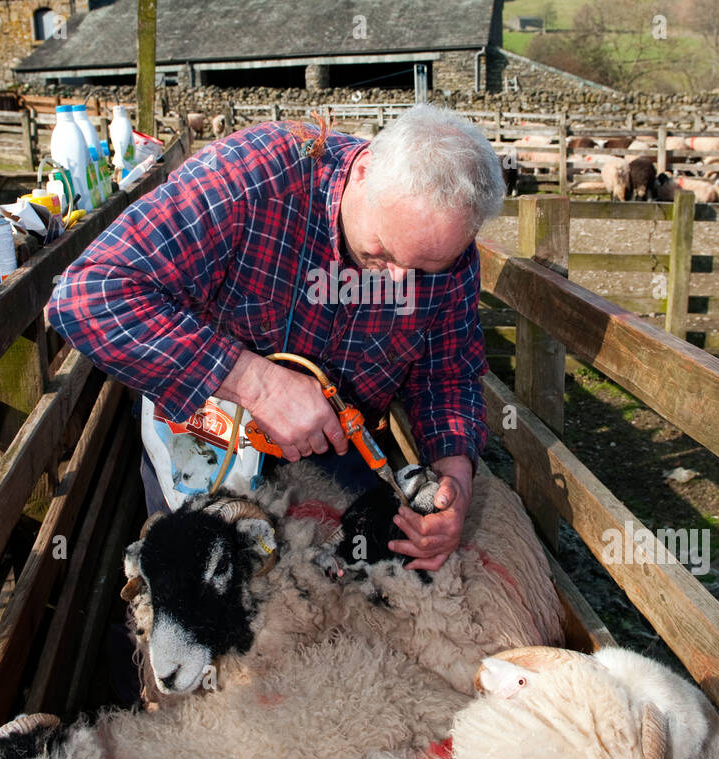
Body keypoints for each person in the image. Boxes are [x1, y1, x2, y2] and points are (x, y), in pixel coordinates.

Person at [48, 103, 503, 572]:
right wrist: (256, 383)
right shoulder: (249, 178)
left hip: (337, 449)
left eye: (425, 268)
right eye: (383, 252)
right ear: (365, 171)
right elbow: (88, 295)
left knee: (332, 593)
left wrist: (455, 478)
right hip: (206, 439)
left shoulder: (446, 246)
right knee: (199, 587)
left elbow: (448, 373)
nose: (397, 280)